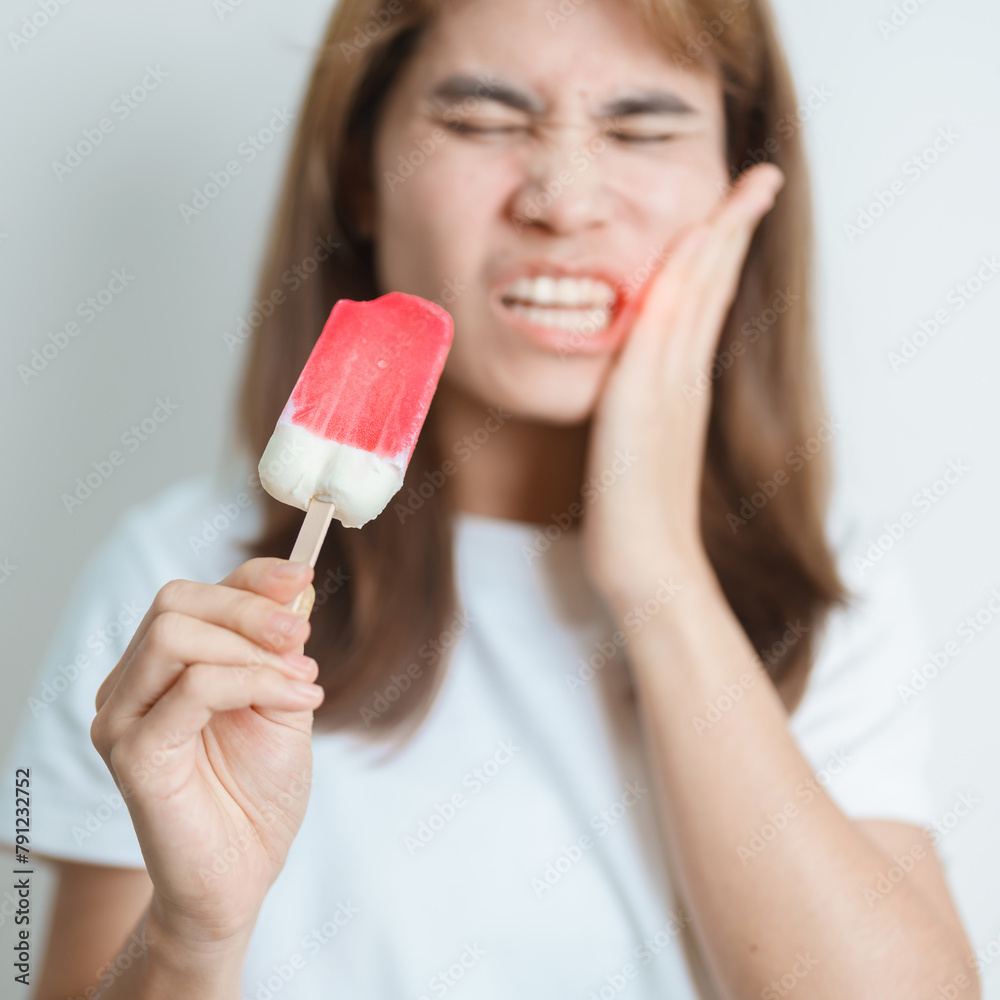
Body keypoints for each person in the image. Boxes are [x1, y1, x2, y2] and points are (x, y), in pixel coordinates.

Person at [3, 0, 980, 997]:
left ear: (736, 184)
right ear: (359, 174)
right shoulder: (173, 583)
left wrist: (657, 572)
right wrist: (192, 933)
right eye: (483, 121)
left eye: (641, 128)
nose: (564, 199)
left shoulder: (831, 591)